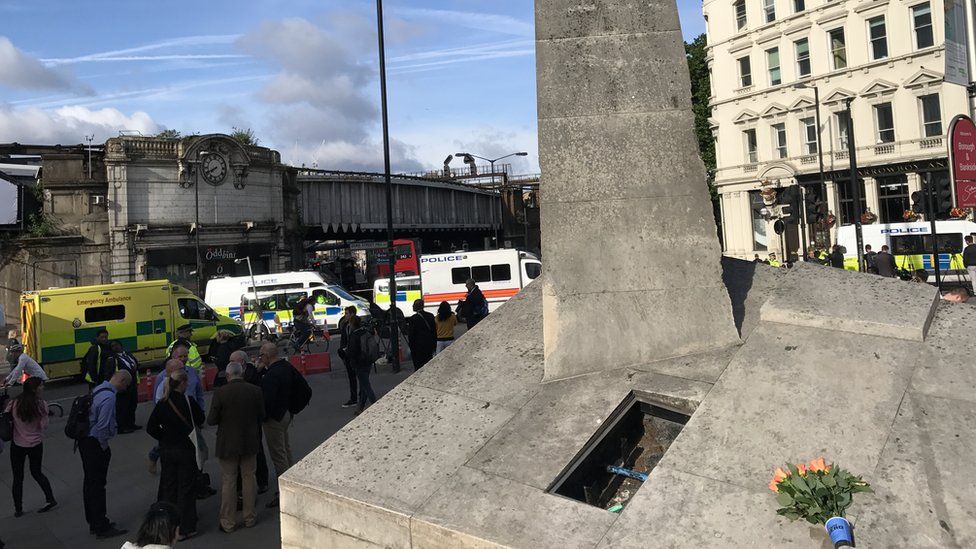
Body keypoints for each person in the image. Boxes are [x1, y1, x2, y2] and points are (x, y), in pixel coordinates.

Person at [146, 368, 204, 541]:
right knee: (186, 488)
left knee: (169, 487)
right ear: (183, 383)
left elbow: (151, 427)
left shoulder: (162, 403)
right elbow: (200, 419)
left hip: (167, 450)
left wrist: (164, 437)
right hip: (185, 449)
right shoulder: (188, 401)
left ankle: (167, 526)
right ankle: (185, 527)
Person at [207, 361, 265, 532]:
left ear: (228, 375)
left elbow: (211, 419)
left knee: (229, 480)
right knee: (249, 478)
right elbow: (262, 414)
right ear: (243, 373)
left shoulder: (221, 393)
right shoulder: (255, 391)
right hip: (250, 441)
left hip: (227, 443)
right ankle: (250, 517)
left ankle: (228, 521)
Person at [80, 370, 131, 540]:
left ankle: (93, 522)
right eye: (126, 385)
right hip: (95, 444)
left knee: (89, 483)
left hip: (84, 440)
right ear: (122, 380)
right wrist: (103, 446)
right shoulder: (110, 397)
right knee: (98, 486)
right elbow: (102, 426)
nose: (126, 388)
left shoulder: (99, 388)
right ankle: (101, 526)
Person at [5, 376, 56, 517]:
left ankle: (18, 508)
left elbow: (7, 417)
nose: (43, 388)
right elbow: (43, 426)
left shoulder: (14, 403)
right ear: (34, 389)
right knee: (37, 472)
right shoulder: (41, 405)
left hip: (17, 444)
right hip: (35, 444)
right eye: (41, 386)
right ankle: (50, 498)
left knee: (17, 477)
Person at [258, 342, 296, 508]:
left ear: (267, 356)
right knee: (285, 450)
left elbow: (268, 400)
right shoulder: (285, 367)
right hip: (286, 413)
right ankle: (293, 483)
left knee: (278, 454)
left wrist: (263, 416)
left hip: (274, 418)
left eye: (261, 355)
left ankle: (285, 492)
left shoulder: (271, 375)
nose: (260, 358)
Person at [231, 349, 270, 494]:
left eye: (232, 361)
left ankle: (262, 481)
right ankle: (245, 481)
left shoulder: (252, 373)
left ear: (241, 361)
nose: (230, 364)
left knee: (257, 450)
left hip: (252, 419)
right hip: (238, 420)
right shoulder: (235, 373)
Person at [105, 340, 141, 433]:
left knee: (132, 404)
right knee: (122, 406)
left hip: (132, 384)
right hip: (121, 386)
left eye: (117, 345)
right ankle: (122, 427)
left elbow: (135, 365)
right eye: (113, 346)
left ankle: (131, 423)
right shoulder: (112, 359)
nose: (116, 347)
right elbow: (110, 373)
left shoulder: (127, 354)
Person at [344, 315, 377, 416]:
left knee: (366, 385)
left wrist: (346, 352)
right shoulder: (365, 331)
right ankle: (360, 407)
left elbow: (352, 351)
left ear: (352, 324)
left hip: (359, 362)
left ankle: (376, 405)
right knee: (363, 385)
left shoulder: (354, 335)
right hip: (368, 360)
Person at [336, 306, 358, 408]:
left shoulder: (357, 324)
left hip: (356, 355)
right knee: (352, 377)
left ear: (352, 314)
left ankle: (361, 398)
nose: (345, 315)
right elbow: (343, 340)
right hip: (347, 355)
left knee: (360, 377)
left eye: (347, 313)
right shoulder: (345, 325)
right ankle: (354, 398)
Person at [406, 299, 436, 370]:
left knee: (418, 366)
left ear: (417, 306)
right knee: (428, 364)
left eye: (414, 305)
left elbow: (411, 335)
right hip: (429, 345)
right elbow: (434, 331)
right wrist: (434, 345)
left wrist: (411, 346)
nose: (412, 306)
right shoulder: (430, 316)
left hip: (418, 347)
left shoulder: (413, 318)